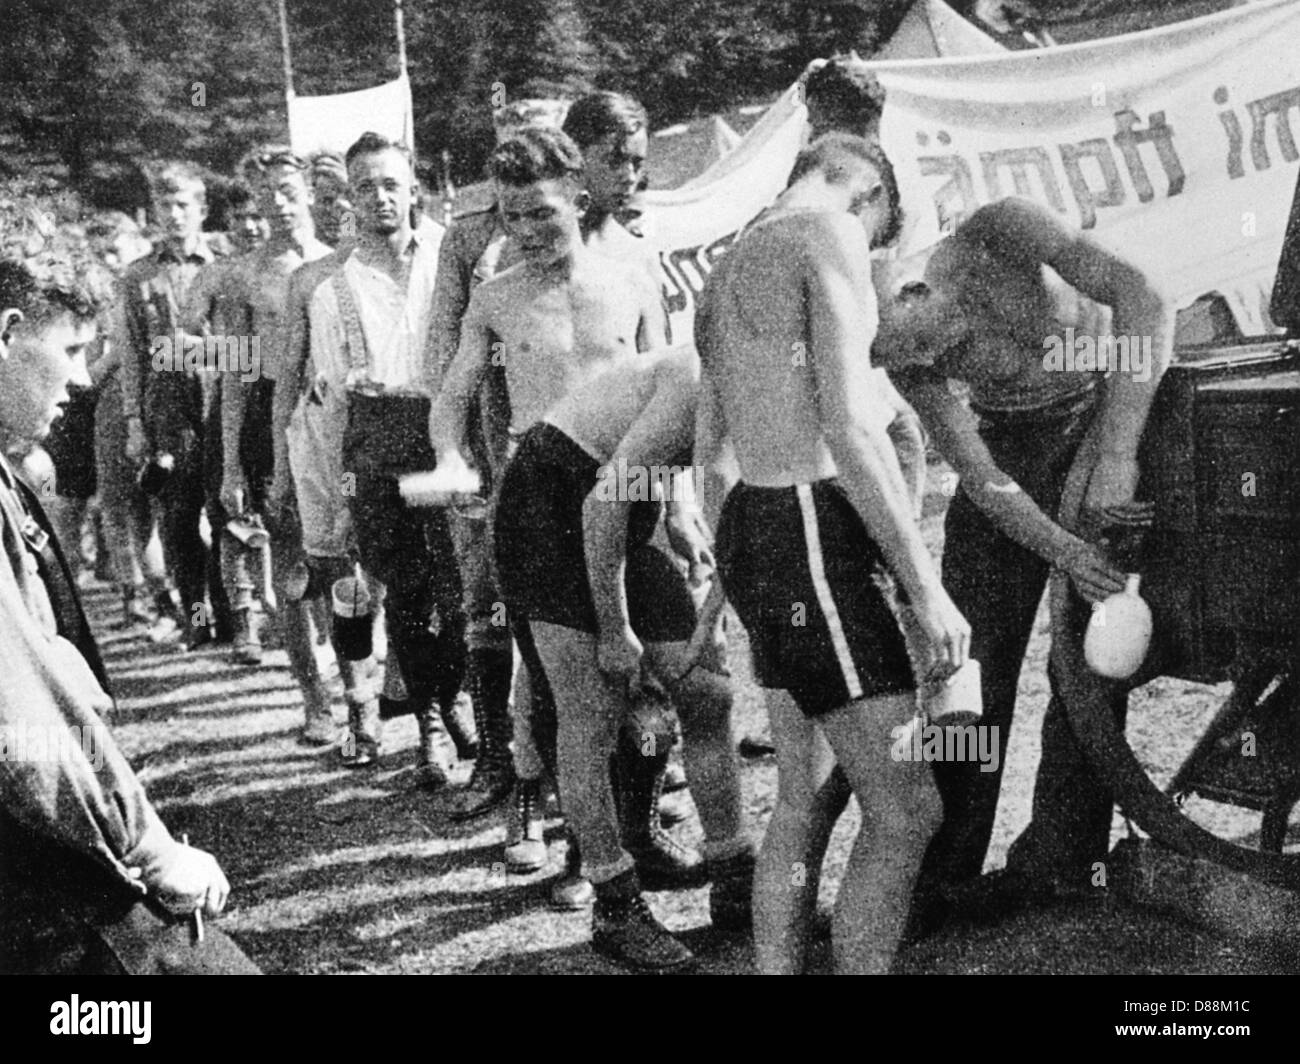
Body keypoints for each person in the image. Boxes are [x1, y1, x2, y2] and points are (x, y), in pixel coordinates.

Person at [694, 134, 970, 974]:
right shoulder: (830, 231)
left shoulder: (727, 264)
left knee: (800, 800)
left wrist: (742, 567)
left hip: (752, 523)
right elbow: (852, 426)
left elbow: (710, 452)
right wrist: (928, 590)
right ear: (871, 192)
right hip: (808, 527)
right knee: (906, 810)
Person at [873, 195, 1172, 928]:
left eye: (937, 349)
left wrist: (1117, 453)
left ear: (918, 288)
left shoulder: (1001, 229)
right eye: (915, 368)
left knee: (1092, 652)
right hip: (1011, 448)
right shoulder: (898, 343)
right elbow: (982, 479)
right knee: (967, 667)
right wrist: (1063, 548)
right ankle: (943, 870)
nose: (936, 367)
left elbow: (1143, 299)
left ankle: (1062, 861)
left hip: (1106, 408)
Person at [430, 127, 701, 889]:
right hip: (540, 503)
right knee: (564, 690)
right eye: (511, 218)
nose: (527, 234)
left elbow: (671, 396)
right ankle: (581, 850)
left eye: (542, 214)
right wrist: (451, 458)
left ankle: (639, 832)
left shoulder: (634, 278)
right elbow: (452, 397)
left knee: (660, 675)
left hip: (632, 489)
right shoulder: (495, 299)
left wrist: (679, 510)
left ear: (580, 198)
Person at [0, 208, 258, 974]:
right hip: (41, 876)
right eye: (71, 350)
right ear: (8, 332)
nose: (83, 380)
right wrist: (148, 848)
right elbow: (24, 730)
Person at [494, 344, 750, 971]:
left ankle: (738, 883)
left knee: (706, 694)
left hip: (615, 503)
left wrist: (678, 511)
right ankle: (615, 905)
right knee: (592, 712)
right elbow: (604, 499)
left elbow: (687, 470)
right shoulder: (702, 372)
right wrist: (614, 627)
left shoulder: (776, 379)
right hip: (548, 507)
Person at [304, 131, 471, 780]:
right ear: (350, 198)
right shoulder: (332, 292)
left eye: (390, 183)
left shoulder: (450, 257)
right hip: (379, 439)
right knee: (407, 590)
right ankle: (430, 723)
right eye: (365, 186)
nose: (380, 197)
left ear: (413, 189)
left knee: (463, 585)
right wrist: (337, 493)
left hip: (450, 427)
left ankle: (454, 695)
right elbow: (331, 404)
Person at [201, 148, 342, 743]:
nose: (279, 205)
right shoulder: (244, 275)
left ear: (309, 191)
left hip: (333, 406)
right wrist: (232, 462)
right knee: (288, 562)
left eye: (288, 191)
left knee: (346, 550)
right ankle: (315, 699)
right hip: (268, 415)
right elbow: (233, 375)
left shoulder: (337, 261)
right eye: (265, 196)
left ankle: (355, 670)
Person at [119, 162, 231, 648]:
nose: (175, 214)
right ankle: (199, 619)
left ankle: (236, 617)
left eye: (184, 204)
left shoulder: (227, 262)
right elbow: (130, 354)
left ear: (202, 209)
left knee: (230, 513)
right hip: (167, 409)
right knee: (179, 520)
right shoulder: (137, 275)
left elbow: (248, 345)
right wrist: (133, 422)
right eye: (165, 205)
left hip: (225, 398)